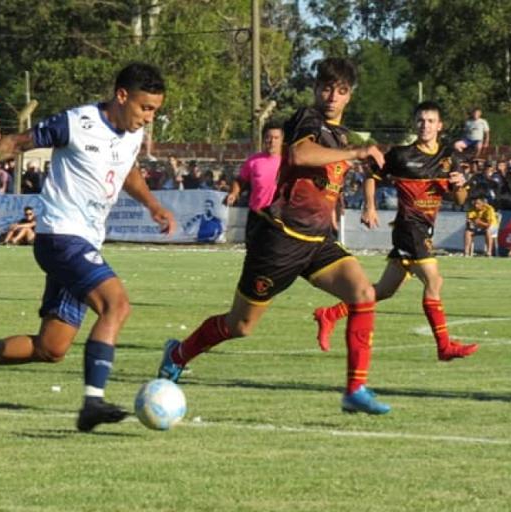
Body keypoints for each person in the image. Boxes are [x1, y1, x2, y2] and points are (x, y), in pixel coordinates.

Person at [0, 62, 174, 432]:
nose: (149, 117)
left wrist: (153, 205)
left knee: (52, 347)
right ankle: (93, 401)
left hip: (85, 240)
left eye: (155, 109)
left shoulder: (132, 133)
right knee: (116, 304)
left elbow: (126, 170)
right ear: (122, 96)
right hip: (61, 237)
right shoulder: (77, 123)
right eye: (145, 107)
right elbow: (14, 143)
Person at [157, 58, 391, 415]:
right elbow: (299, 154)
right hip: (280, 239)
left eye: (340, 91)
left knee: (363, 293)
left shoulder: (343, 137)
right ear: (316, 89)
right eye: (326, 88)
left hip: (318, 242)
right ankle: (178, 353)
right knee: (241, 325)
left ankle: (355, 388)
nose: (332, 96)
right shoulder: (306, 120)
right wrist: (358, 152)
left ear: (349, 96)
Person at [312, 101, 478, 363]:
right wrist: (370, 206)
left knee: (384, 290)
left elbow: (459, 199)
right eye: (421, 120)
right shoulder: (401, 155)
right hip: (408, 228)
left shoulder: (449, 157)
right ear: (415, 124)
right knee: (434, 281)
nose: (425, 125)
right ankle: (444, 346)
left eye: (431, 121)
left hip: (425, 229)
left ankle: (330, 314)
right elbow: (371, 176)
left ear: (440, 126)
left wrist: (460, 185)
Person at [224, 121, 284, 223]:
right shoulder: (253, 161)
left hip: (280, 217)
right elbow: (240, 181)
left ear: (282, 140)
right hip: (256, 214)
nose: (272, 141)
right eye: (269, 137)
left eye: (276, 138)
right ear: (263, 139)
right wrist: (233, 193)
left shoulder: (289, 161)